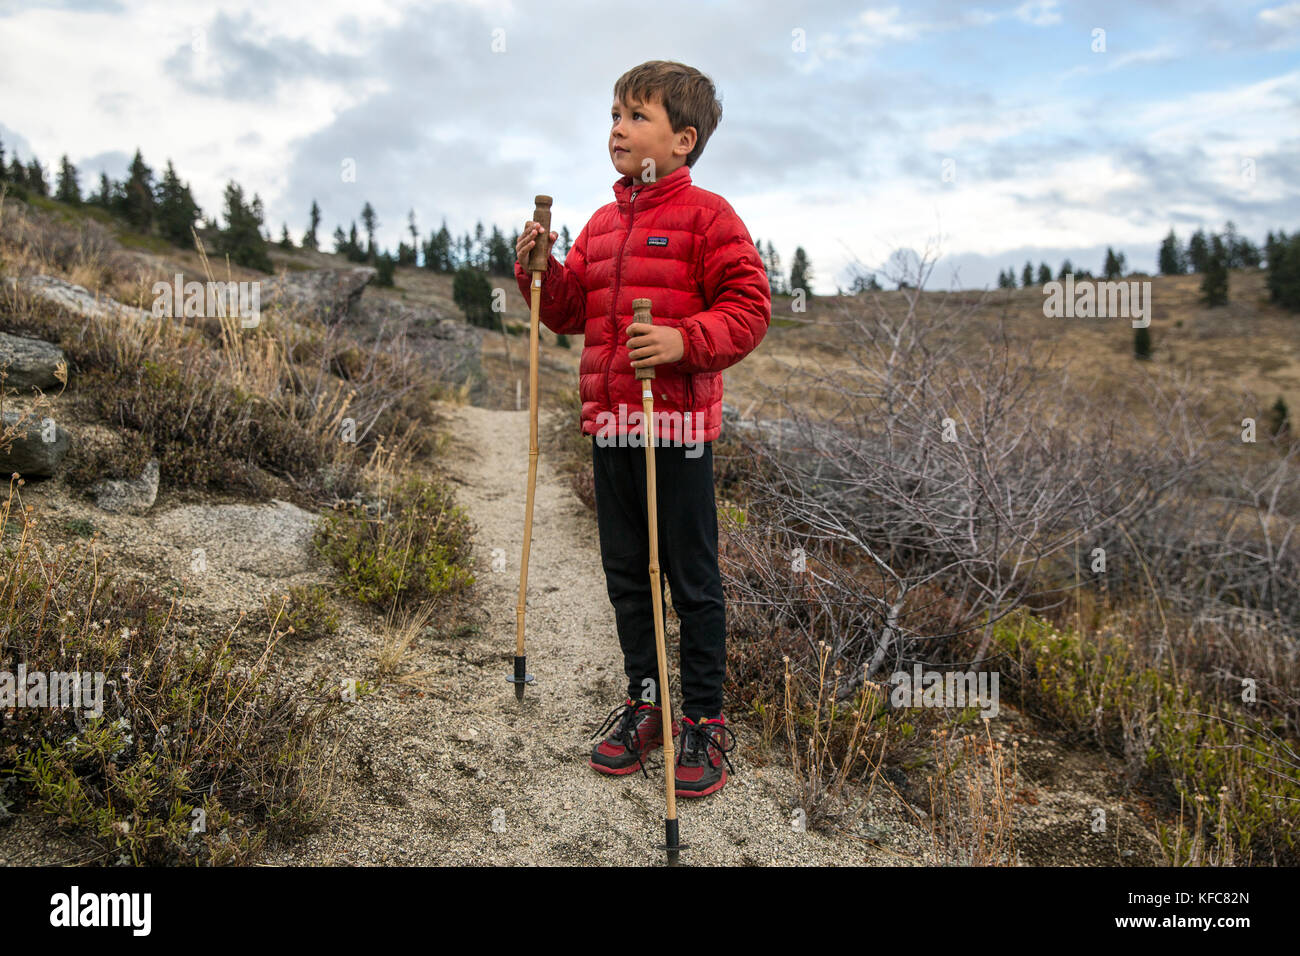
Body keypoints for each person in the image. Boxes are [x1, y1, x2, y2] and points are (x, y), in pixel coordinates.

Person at [513, 60, 770, 797]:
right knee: (627, 574)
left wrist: (685, 341)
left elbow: (749, 307)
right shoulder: (598, 224)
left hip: (677, 429)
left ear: (682, 140)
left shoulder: (709, 218)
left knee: (690, 580)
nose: (617, 128)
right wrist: (540, 270)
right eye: (614, 115)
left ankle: (707, 721)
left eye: (635, 116)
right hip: (612, 429)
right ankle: (645, 700)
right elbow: (566, 312)